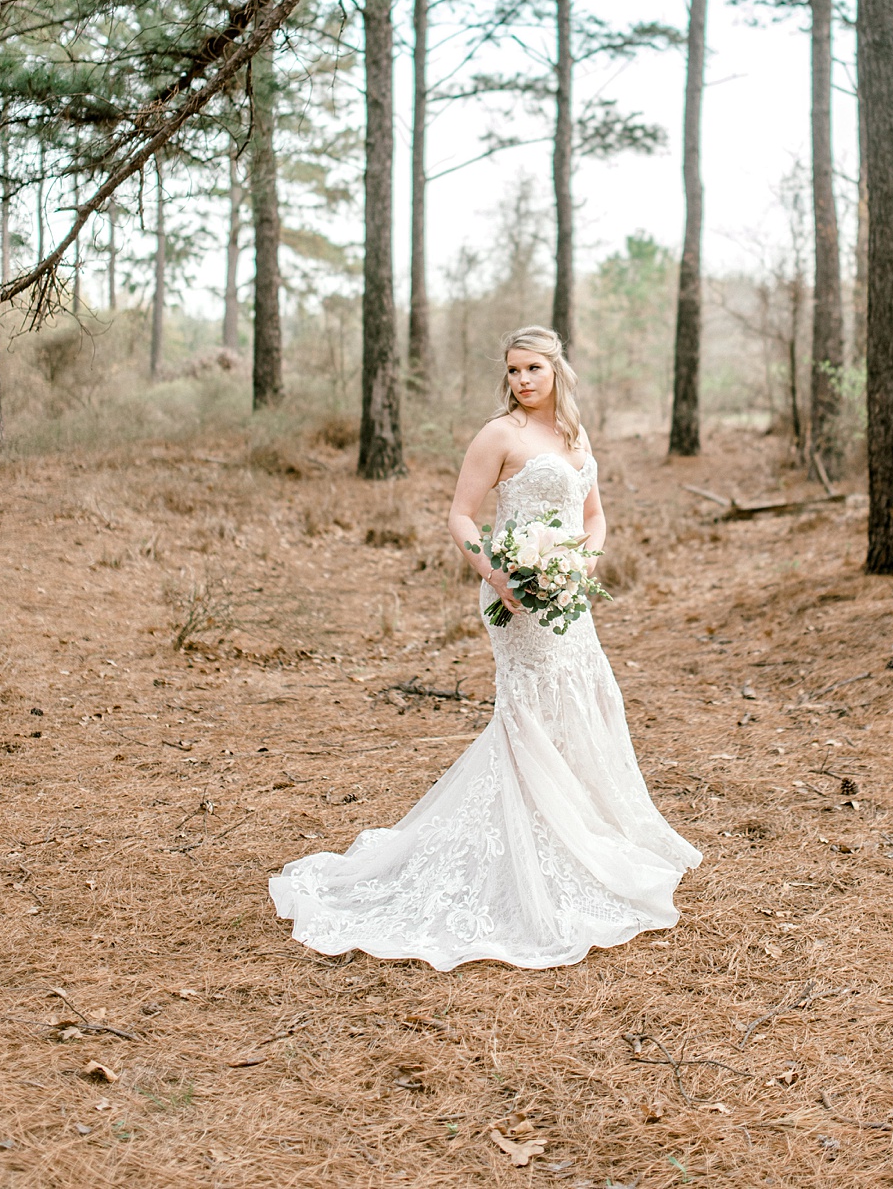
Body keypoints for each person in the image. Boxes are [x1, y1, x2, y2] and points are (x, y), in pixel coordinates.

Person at [269, 325, 699, 970]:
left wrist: (582, 564)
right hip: (514, 592)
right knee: (528, 707)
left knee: (581, 695)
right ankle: (529, 847)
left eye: (533, 369)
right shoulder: (499, 435)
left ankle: (583, 829)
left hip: (566, 592)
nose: (522, 381)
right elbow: (462, 517)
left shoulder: (576, 437)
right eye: (513, 371)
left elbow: (594, 517)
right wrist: (499, 574)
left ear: (557, 371)